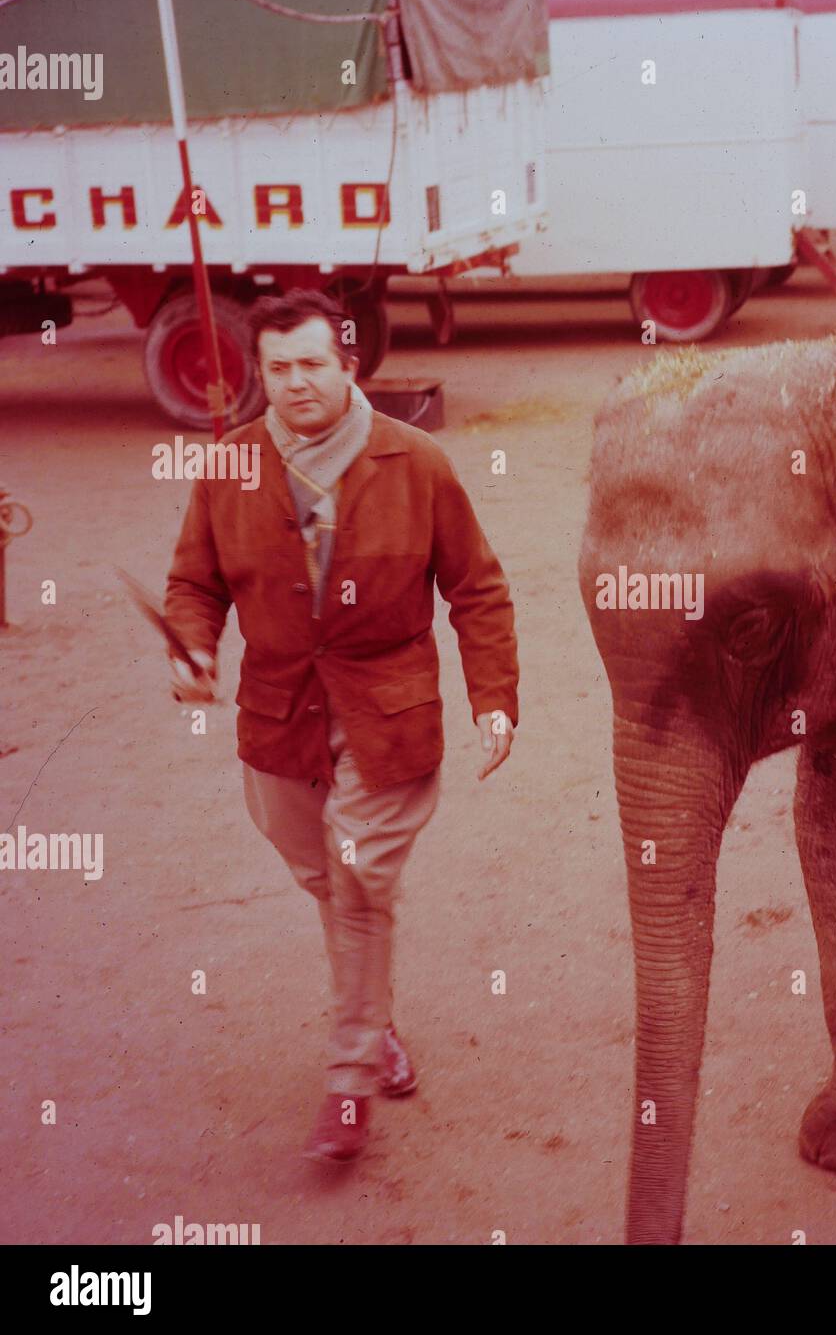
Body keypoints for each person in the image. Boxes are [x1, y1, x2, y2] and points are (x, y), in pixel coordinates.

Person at [163, 289, 519, 1164]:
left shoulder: (417, 461)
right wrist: (192, 650)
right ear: (261, 374)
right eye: (277, 369)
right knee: (331, 884)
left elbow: (476, 586)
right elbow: (193, 585)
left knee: (357, 877)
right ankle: (380, 1022)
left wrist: (494, 696)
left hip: (387, 721)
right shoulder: (230, 466)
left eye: (312, 364)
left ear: (347, 366)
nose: (295, 384)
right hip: (278, 723)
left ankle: (350, 1080)